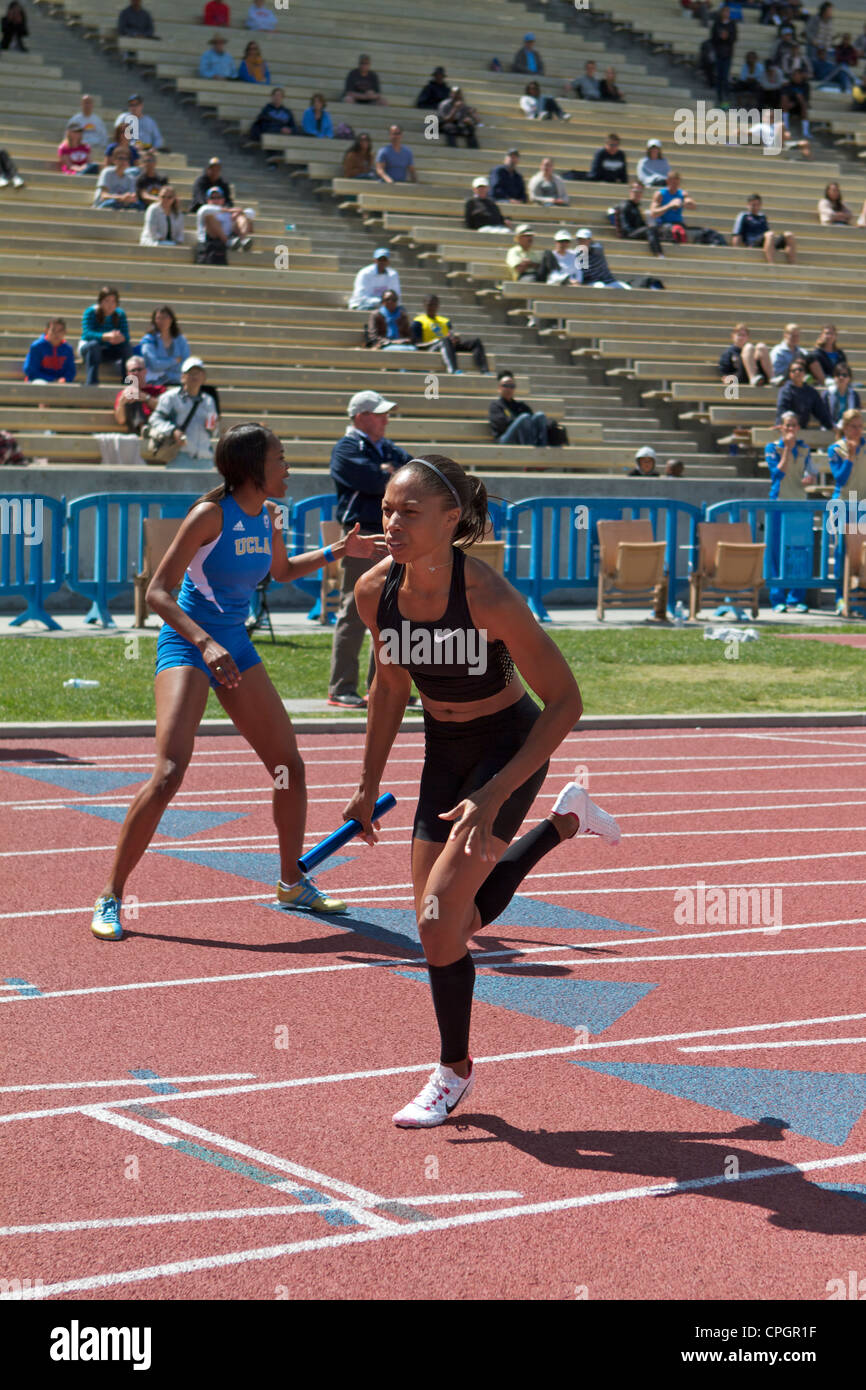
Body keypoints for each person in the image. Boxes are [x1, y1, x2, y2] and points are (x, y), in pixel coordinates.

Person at [344, 451, 620, 1126]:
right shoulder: (374, 592)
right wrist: (365, 784)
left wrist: (495, 794)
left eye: (409, 510)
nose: (392, 521)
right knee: (448, 926)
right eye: (386, 508)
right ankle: (563, 825)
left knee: (439, 919)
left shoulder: (489, 596)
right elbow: (389, 687)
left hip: (507, 747)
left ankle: (453, 1071)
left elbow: (565, 703)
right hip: (444, 752)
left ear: (452, 518)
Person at [89, 424, 386, 941]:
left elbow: (284, 570)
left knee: (287, 765)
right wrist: (204, 642)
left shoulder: (270, 515)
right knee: (168, 772)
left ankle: (292, 881)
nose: (288, 467)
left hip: (236, 648)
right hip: (188, 643)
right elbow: (158, 593)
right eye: (281, 457)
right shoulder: (209, 515)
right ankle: (111, 894)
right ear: (253, 467)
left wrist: (339, 552)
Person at [328, 391, 411, 709]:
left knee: (395, 611)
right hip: (362, 536)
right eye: (379, 414)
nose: (386, 419)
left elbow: (412, 473)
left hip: (392, 535)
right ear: (360, 416)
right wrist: (388, 474)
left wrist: (388, 473)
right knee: (354, 610)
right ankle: (341, 687)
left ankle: (386, 687)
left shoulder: (384, 448)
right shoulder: (346, 448)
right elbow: (376, 482)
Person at [765, 412, 819, 611]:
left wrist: (810, 477)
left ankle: (796, 598)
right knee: (776, 551)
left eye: (794, 425)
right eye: (787, 425)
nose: (790, 429)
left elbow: (812, 470)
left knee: (799, 550)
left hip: (799, 502)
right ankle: (777, 598)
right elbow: (777, 473)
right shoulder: (772, 448)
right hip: (779, 502)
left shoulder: (805, 448)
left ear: (798, 428)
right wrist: (787, 450)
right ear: (781, 427)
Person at [148, 357, 220, 469]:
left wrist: (213, 428)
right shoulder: (170, 397)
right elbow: (155, 419)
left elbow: (213, 430)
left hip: (205, 456)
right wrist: (172, 431)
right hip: (180, 456)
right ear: (182, 377)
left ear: (204, 377)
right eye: (191, 373)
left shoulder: (209, 400)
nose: (195, 376)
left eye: (198, 373)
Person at [411, 295, 490, 374]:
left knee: (476, 342)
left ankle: (485, 371)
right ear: (424, 305)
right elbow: (418, 344)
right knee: (444, 340)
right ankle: (453, 370)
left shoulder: (445, 321)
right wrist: (438, 341)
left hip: (447, 346)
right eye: (430, 305)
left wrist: (455, 339)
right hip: (431, 347)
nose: (432, 307)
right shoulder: (418, 322)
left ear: (438, 306)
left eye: (434, 305)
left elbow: (450, 335)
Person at [78, 286, 131, 385]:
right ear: (100, 302)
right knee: (94, 345)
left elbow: (126, 336)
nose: (110, 305)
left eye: (113, 301)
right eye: (107, 301)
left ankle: (127, 383)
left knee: (127, 347)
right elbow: (87, 334)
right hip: (89, 349)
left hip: (109, 349)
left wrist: (119, 338)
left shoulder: (120, 314)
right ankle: (91, 382)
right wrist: (105, 336)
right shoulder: (90, 312)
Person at [732, 193, 797, 264]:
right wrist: (737, 251)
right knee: (770, 234)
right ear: (748, 205)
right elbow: (736, 234)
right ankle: (771, 263)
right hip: (753, 243)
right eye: (753, 205)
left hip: (767, 240)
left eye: (757, 205)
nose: (755, 207)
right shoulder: (743, 216)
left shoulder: (763, 217)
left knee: (789, 235)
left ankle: (792, 264)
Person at [488, 371, 548, 446]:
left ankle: (542, 447)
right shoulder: (496, 406)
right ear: (499, 388)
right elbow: (501, 425)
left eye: (512, 386)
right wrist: (520, 421)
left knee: (540, 416)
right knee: (524, 418)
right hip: (505, 440)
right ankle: (529, 449)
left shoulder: (520, 406)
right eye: (505, 386)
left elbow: (532, 420)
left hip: (521, 439)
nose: (509, 389)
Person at [137, 306, 190, 387]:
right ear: (154, 320)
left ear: (171, 320)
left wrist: (163, 365)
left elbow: (185, 364)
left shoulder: (181, 340)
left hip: (177, 381)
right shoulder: (148, 340)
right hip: (155, 383)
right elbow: (154, 365)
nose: (162, 321)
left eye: (165, 317)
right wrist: (174, 360)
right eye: (159, 318)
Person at [775, 359, 833, 428]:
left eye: (800, 370)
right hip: (788, 428)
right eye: (794, 370)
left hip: (803, 429)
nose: (797, 372)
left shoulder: (811, 392)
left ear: (804, 373)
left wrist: (831, 426)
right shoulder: (785, 391)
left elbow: (820, 412)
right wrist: (780, 424)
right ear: (790, 374)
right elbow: (782, 409)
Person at [113, 355, 161, 432]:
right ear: (128, 374)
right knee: (132, 395)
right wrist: (121, 403)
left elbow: (165, 409)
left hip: (157, 425)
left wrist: (146, 398)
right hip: (135, 430)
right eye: (133, 370)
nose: (136, 373)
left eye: (139, 369)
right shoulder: (124, 394)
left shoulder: (158, 389)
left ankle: (145, 429)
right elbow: (121, 420)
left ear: (145, 371)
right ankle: (142, 428)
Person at [615, 183, 663, 256]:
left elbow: (640, 224)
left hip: (634, 231)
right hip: (628, 233)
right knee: (650, 230)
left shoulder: (635, 207)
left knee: (655, 228)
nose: (637, 194)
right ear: (630, 192)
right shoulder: (625, 205)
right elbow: (625, 227)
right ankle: (659, 254)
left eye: (640, 191)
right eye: (635, 191)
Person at [22, 318, 76, 384]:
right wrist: (52, 380)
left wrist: (64, 379)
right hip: (38, 382)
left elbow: (71, 372)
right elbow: (30, 371)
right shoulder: (37, 346)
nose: (56, 334)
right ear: (46, 331)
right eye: (53, 330)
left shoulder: (68, 349)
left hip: (60, 384)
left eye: (60, 331)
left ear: (65, 332)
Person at [719, 323, 773, 387]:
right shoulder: (728, 353)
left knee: (761, 346)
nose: (741, 337)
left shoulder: (753, 351)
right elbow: (724, 373)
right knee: (749, 347)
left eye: (743, 335)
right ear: (733, 336)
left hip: (759, 377)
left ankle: (772, 379)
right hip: (740, 377)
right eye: (739, 335)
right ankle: (753, 378)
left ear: (748, 337)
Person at [828, 409, 866, 498]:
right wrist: (850, 456)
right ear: (845, 428)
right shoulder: (835, 448)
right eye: (854, 426)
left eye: (860, 426)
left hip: (862, 504)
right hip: (842, 503)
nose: (858, 430)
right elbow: (841, 480)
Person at [710, 4, 738, 105]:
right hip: (718, 53)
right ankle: (719, 96)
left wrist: (727, 37)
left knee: (725, 76)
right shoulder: (717, 24)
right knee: (719, 76)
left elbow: (734, 38)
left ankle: (726, 96)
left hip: (727, 54)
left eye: (727, 12)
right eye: (724, 11)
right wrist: (720, 37)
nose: (726, 13)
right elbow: (712, 38)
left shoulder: (732, 24)